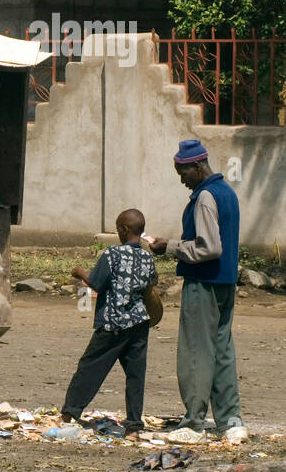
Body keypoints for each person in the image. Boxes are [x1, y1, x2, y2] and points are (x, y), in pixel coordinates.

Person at [150, 140, 246, 443]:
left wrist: (170, 246)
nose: (182, 179)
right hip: (226, 283)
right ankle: (231, 422)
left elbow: (209, 247)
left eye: (183, 172)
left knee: (195, 352)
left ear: (198, 166)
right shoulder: (227, 193)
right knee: (222, 351)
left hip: (204, 282)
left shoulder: (205, 197)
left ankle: (193, 423)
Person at [60, 208, 158, 440]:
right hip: (140, 323)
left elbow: (96, 284)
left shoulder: (112, 254)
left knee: (90, 367)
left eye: (117, 228)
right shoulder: (148, 257)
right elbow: (150, 285)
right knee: (135, 375)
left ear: (124, 229)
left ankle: (68, 414)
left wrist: (80, 272)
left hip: (113, 322)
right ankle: (133, 426)